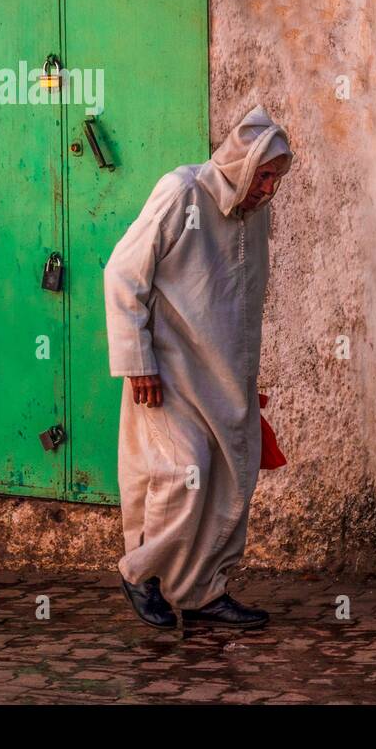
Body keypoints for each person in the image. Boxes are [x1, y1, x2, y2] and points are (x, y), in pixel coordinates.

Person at [104, 105, 293, 630]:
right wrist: (137, 360)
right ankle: (141, 573)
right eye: (263, 176)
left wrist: (245, 374)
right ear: (242, 161)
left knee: (230, 481)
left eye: (277, 179)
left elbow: (242, 296)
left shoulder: (256, 216)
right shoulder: (182, 191)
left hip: (226, 376)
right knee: (182, 474)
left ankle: (203, 591)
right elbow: (123, 273)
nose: (269, 189)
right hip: (167, 373)